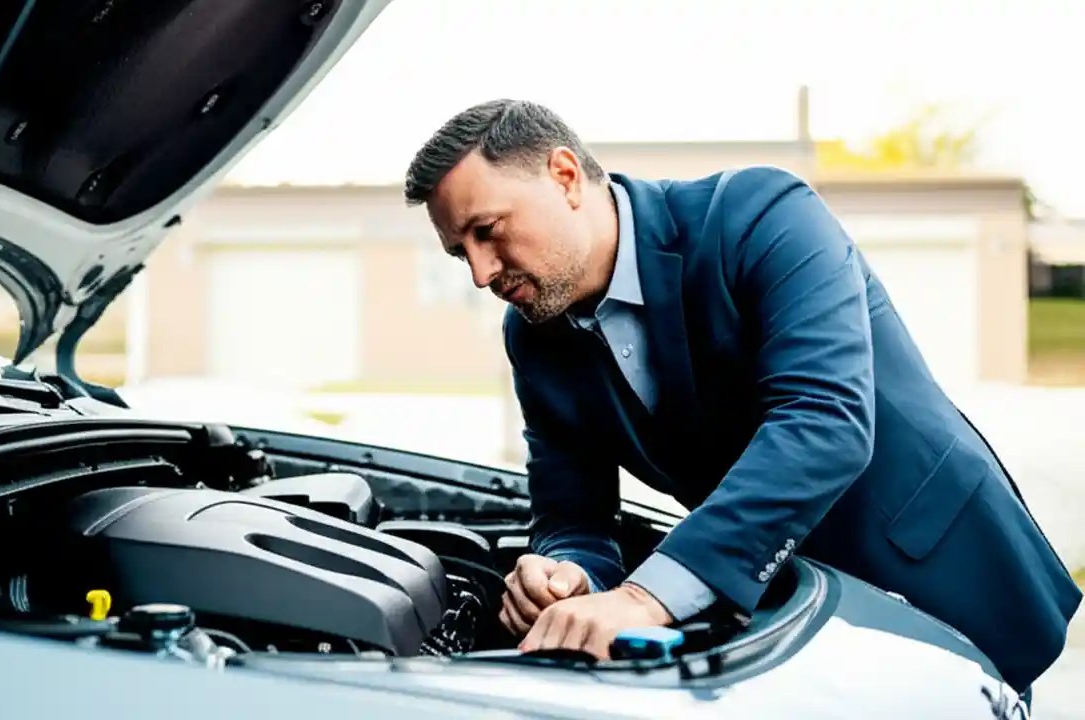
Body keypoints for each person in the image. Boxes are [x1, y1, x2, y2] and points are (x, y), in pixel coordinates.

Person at [401, 98, 1079, 703]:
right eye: (461, 252)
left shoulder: (758, 214)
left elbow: (825, 422)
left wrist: (644, 598)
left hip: (939, 576)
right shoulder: (534, 338)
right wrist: (569, 575)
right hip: (784, 624)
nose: (483, 272)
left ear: (565, 176)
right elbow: (573, 513)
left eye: (487, 230)